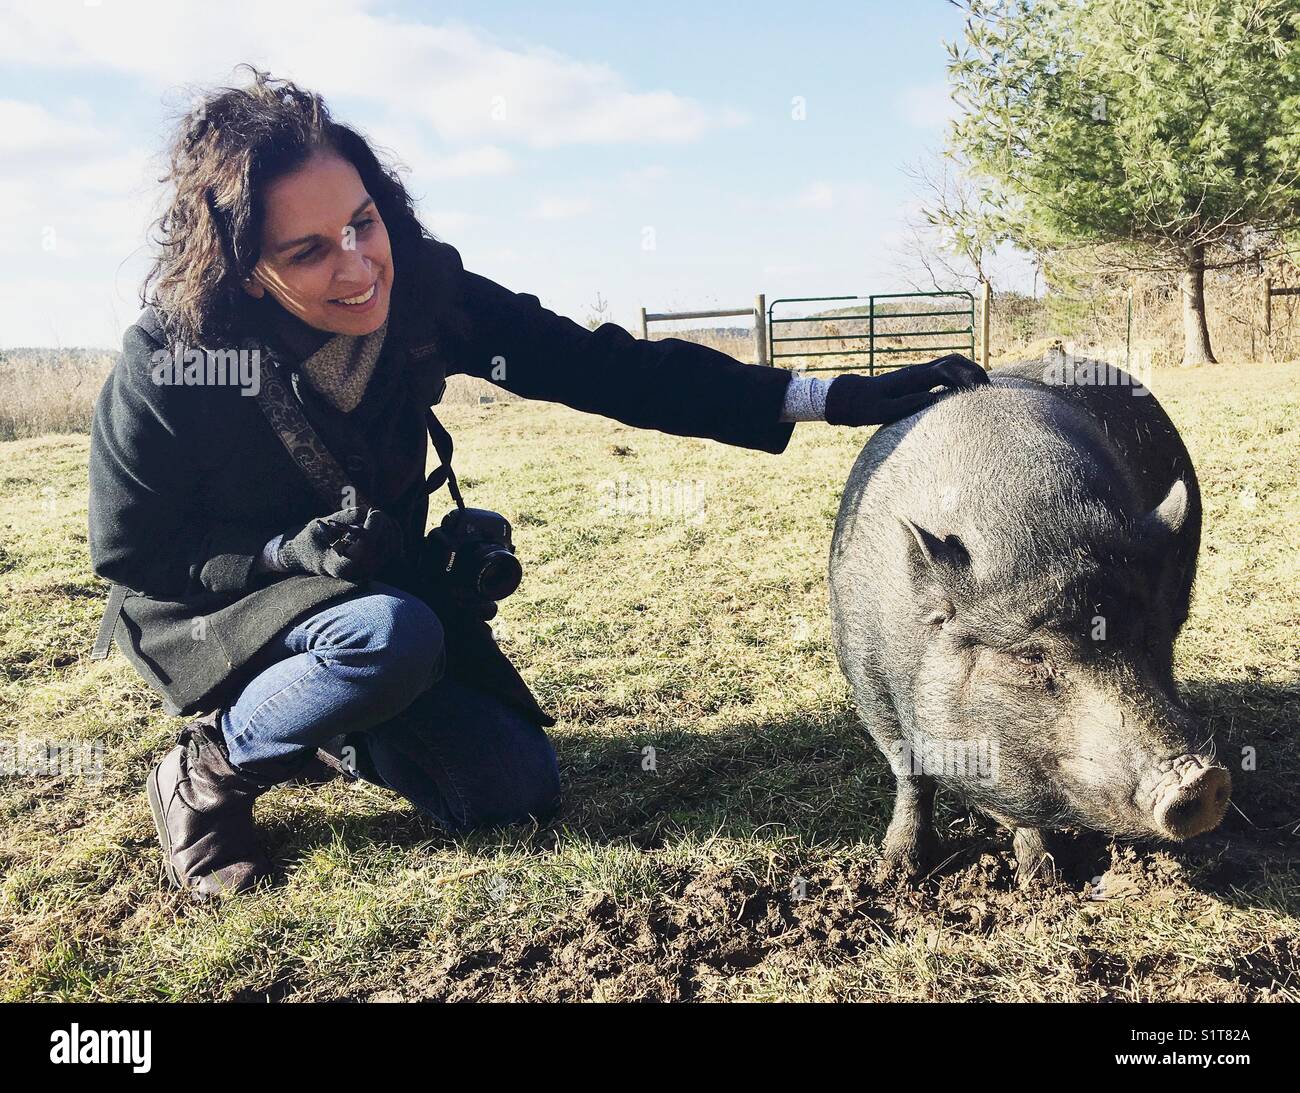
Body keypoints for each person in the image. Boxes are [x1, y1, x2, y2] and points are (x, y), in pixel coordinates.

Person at [87, 66, 989, 901]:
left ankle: (327, 714)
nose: (360, 266)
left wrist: (825, 395)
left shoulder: (424, 291)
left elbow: (599, 366)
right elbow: (136, 556)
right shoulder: (173, 361)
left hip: (365, 604)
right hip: (226, 612)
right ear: (245, 264)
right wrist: (288, 553)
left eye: (364, 222)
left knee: (510, 792)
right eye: (311, 251)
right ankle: (208, 766)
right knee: (390, 636)